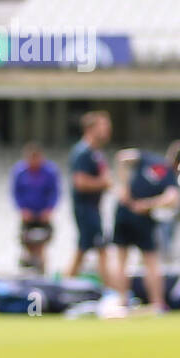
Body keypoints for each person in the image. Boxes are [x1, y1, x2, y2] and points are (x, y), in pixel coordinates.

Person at [108, 140, 180, 312]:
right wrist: (148, 205)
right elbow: (172, 199)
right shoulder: (170, 176)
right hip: (142, 218)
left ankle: (121, 301)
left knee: (121, 259)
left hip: (123, 210)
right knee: (151, 262)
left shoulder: (148, 158)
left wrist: (123, 186)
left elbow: (122, 157)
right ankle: (157, 303)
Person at [66, 111, 113, 280]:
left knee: (88, 249)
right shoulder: (83, 153)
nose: (108, 130)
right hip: (86, 209)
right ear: (90, 128)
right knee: (97, 250)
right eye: (103, 126)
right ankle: (112, 291)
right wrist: (104, 183)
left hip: (94, 208)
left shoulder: (96, 153)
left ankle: (66, 286)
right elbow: (80, 183)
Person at [10, 142, 59, 273]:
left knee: (42, 244)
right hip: (28, 216)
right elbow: (15, 193)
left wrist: (49, 209)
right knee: (27, 242)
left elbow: (55, 192)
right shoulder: (20, 172)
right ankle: (28, 264)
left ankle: (42, 270)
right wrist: (22, 209)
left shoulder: (49, 171)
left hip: (43, 216)